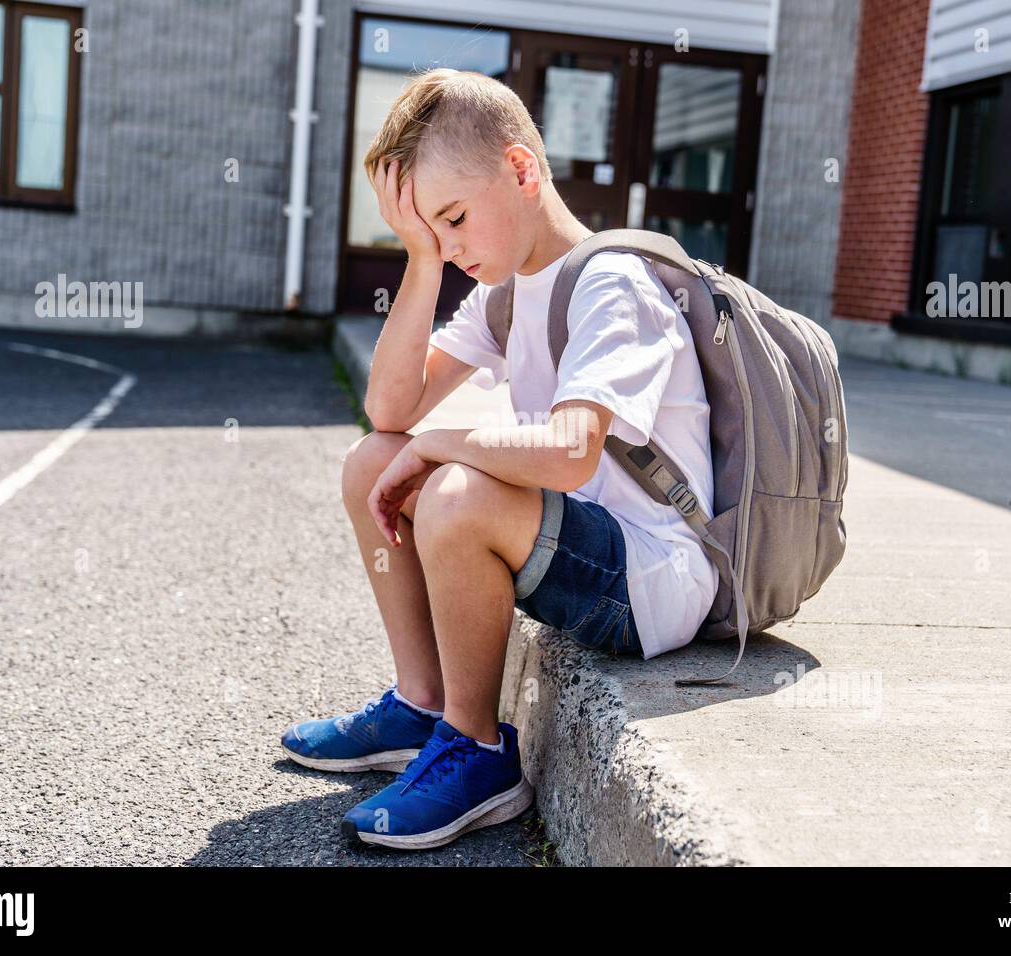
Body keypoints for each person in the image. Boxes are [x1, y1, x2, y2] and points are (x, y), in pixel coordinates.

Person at [280, 67, 717, 851]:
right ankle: (421, 707)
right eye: (432, 232)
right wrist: (420, 257)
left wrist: (441, 446)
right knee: (369, 461)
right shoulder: (507, 288)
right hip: (585, 546)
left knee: (451, 490)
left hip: (655, 577)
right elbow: (391, 410)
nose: (452, 248)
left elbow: (572, 455)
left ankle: (479, 752)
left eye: (453, 219)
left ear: (520, 169)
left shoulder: (614, 284)